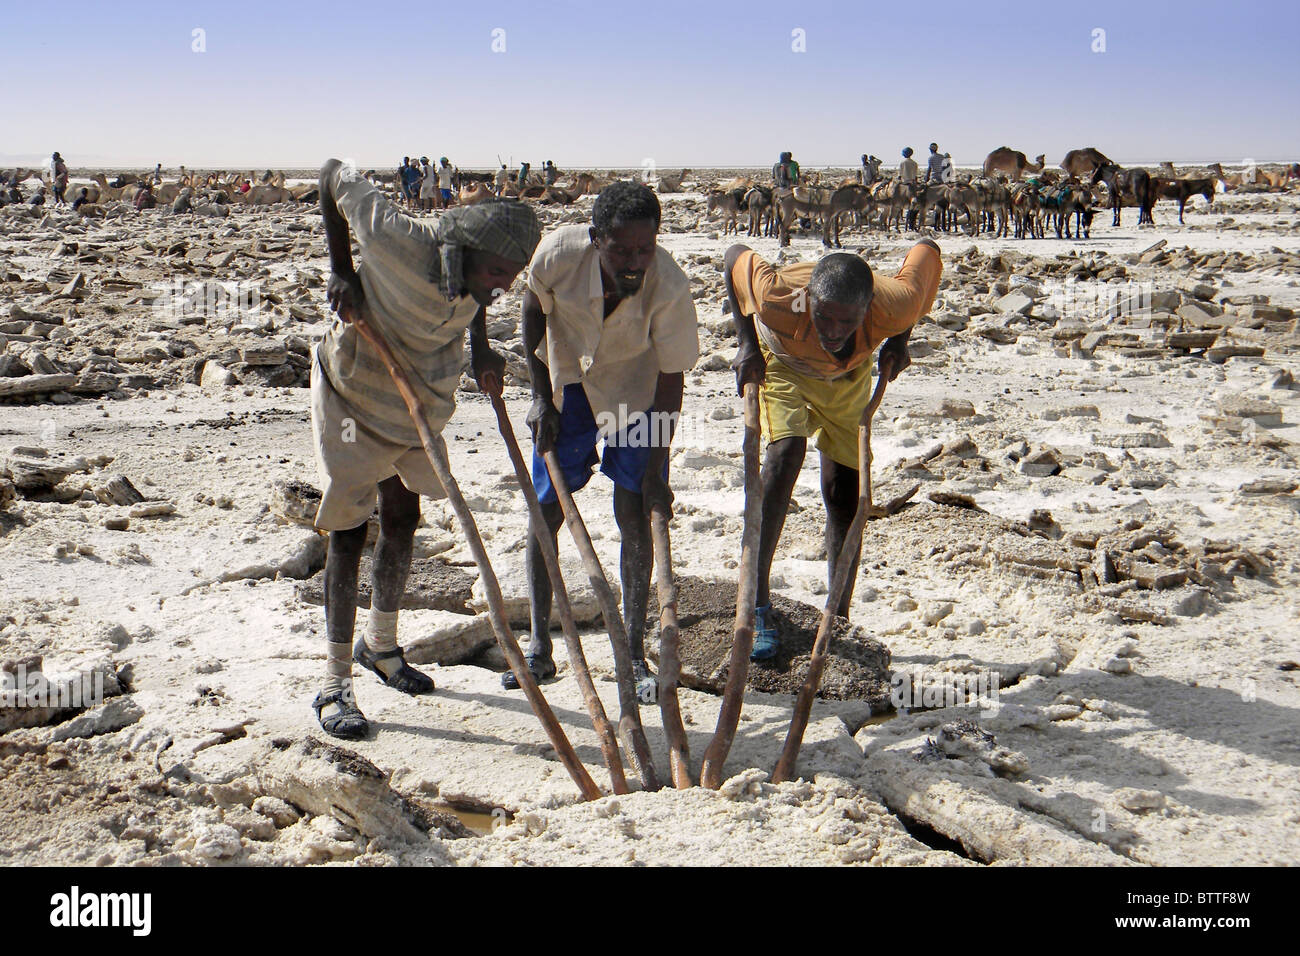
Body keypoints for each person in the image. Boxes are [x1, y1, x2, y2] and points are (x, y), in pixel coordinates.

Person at [310, 157, 541, 739]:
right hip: (356, 394)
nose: (502, 285)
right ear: (460, 251)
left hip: (419, 393)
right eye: (495, 271)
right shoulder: (398, 237)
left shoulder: (481, 269)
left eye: (511, 276)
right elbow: (331, 173)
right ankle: (336, 684)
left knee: (404, 514)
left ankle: (380, 646)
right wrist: (342, 272)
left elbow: (479, 295)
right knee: (348, 529)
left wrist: (483, 346)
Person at [506, 181, 699, 696]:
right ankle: (540, 648)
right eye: (622, 249)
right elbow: (531, 310)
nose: (636, 260)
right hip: (569, 378)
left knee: (635, 511)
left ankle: (633, 652)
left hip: (637, 390)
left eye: (646, 247)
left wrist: (657, 468)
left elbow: (671, 378)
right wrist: (540, 395)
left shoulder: (669, 286)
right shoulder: (558, 254)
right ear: (596, 239)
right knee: (546, 508)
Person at [724, 238, 942, 659]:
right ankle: (757, 602)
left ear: (868, 309)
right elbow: (734, 256)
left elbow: (927, 250)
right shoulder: (776, 297)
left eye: (847, 321)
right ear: (809, 301)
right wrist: (746, 343)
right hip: (783, 362)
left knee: (846, 491)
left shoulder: (895, 304)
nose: (834, 330)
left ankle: (837, 617)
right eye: (824, 317)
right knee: (785, 455)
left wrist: (899, 339)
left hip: (848, 375)